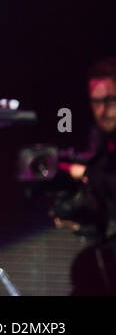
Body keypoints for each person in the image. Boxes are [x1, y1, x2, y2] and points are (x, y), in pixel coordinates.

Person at [56, 57, 116, 294]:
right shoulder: (101, 143)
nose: (102, 110)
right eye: (96, 102)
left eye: (110, 100)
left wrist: (85, 174)